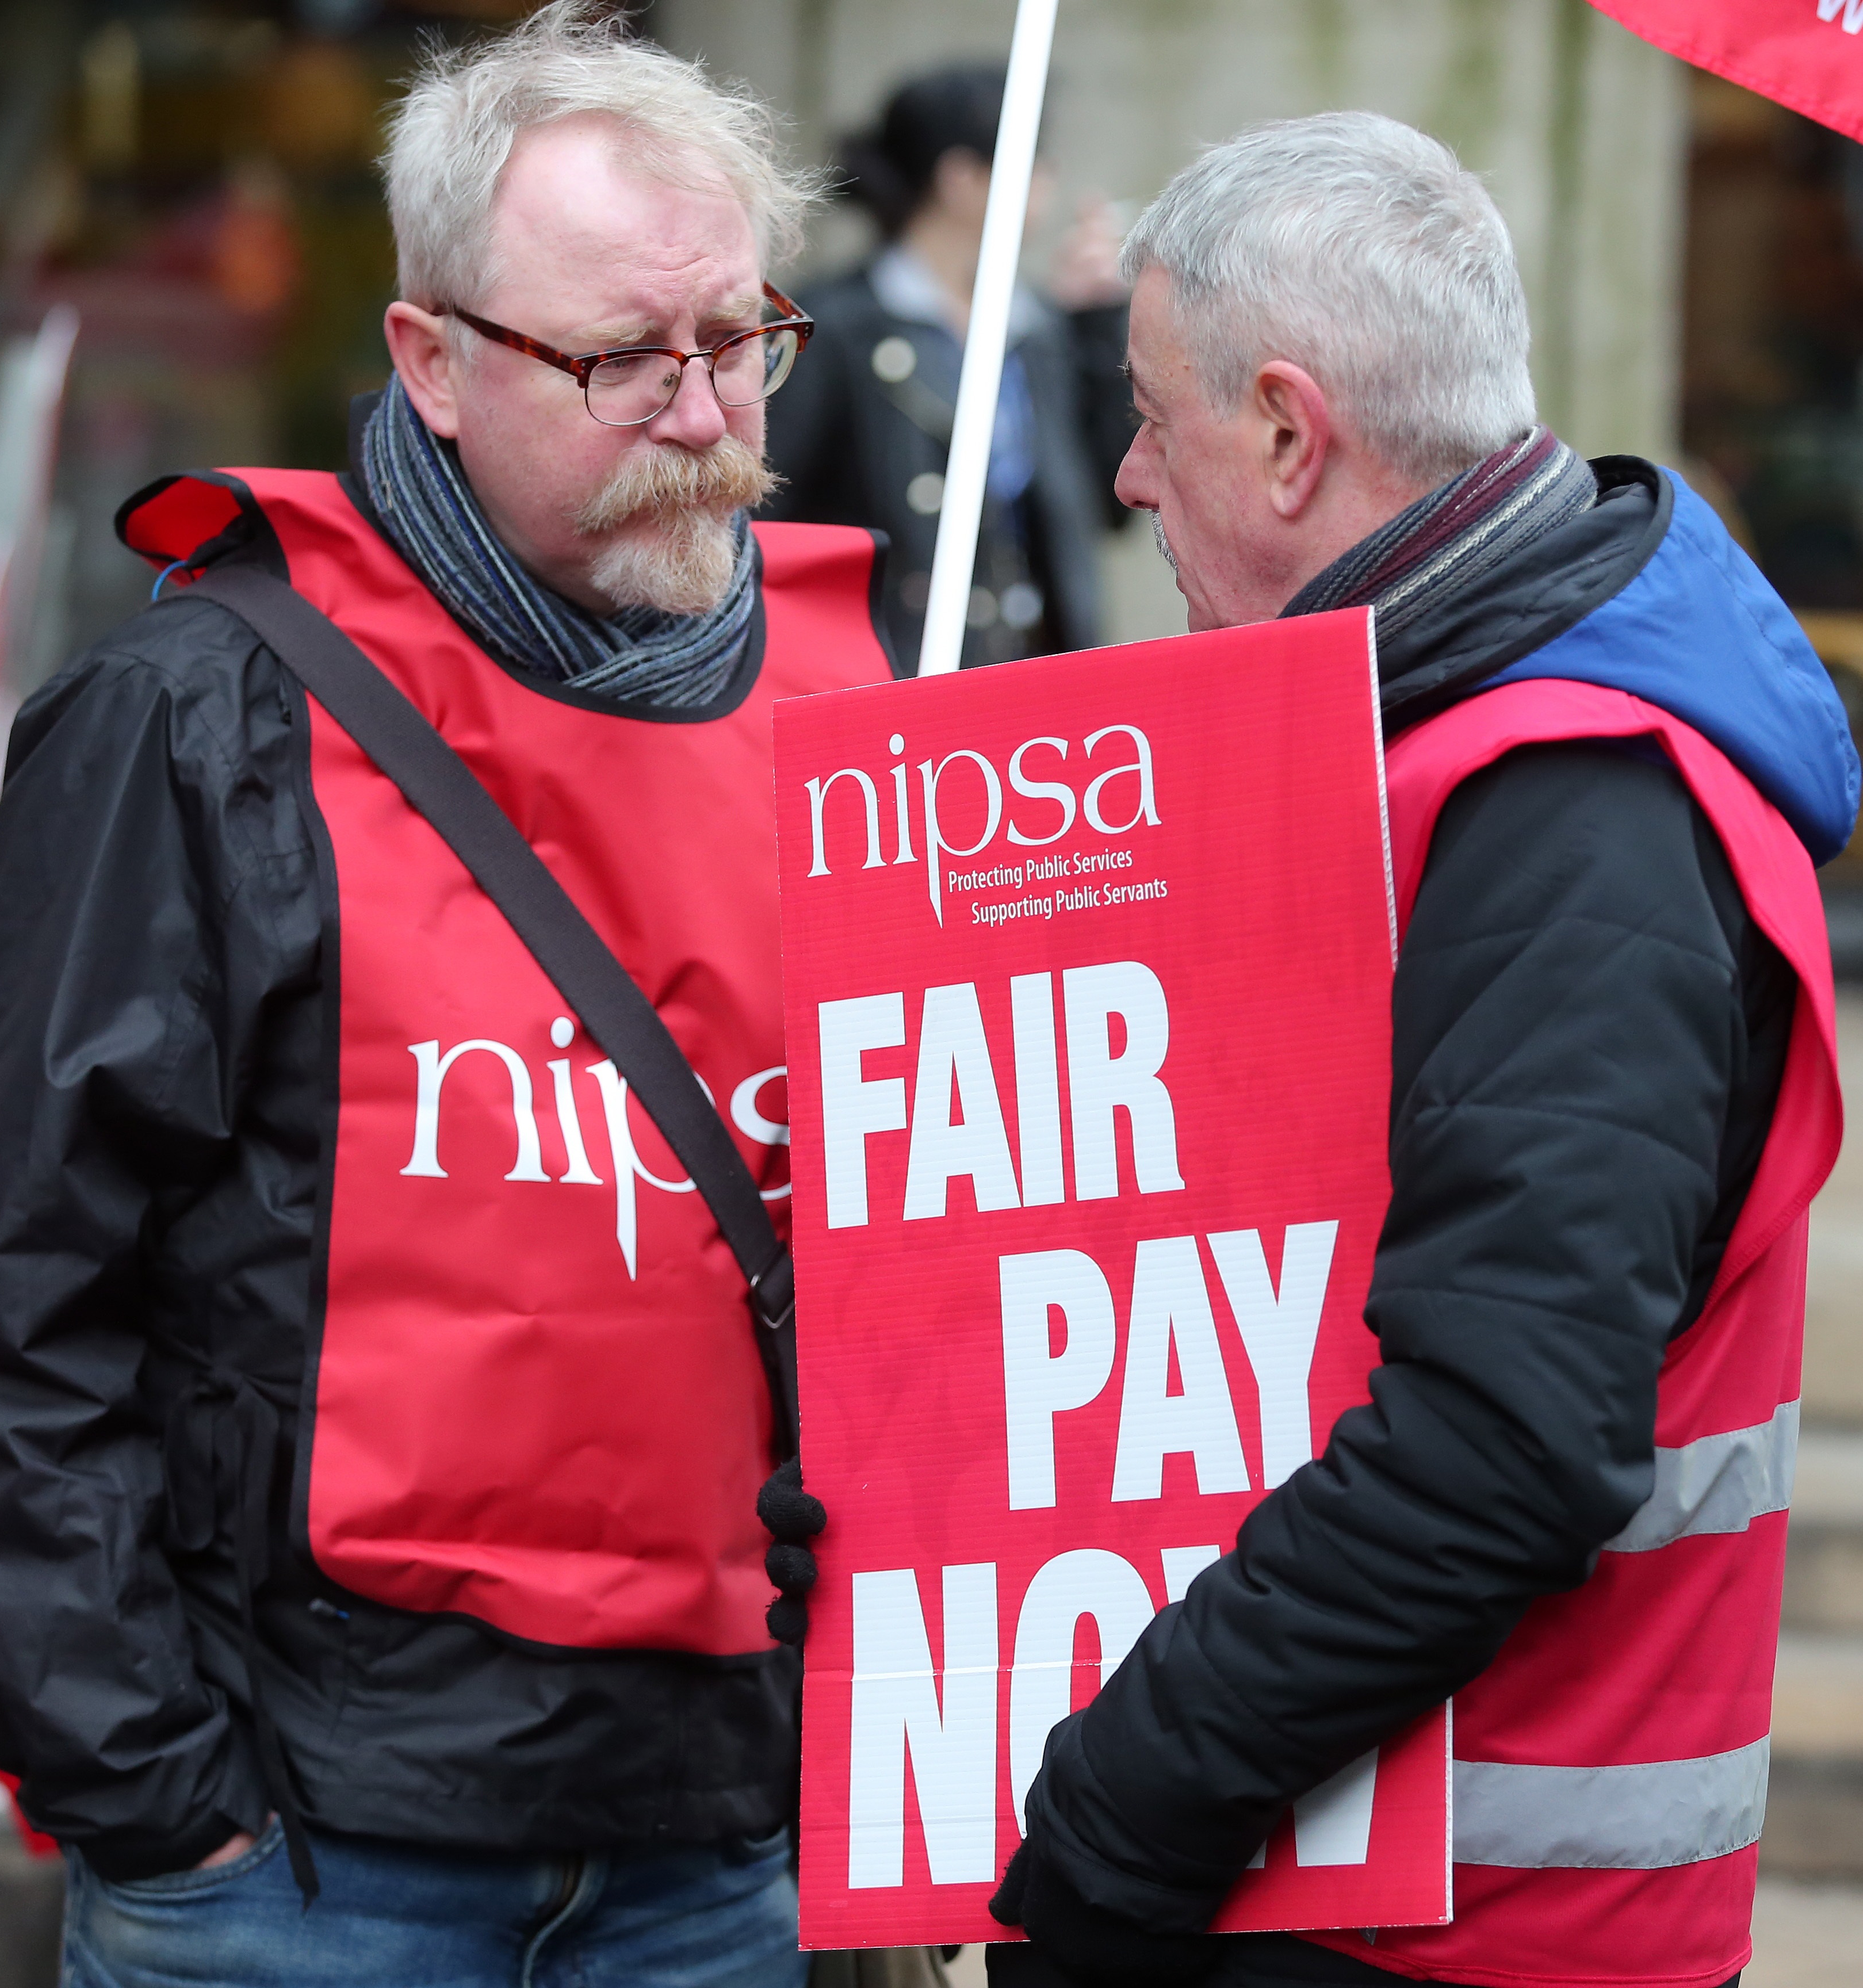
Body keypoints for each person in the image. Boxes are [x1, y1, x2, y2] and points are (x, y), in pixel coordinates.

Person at [763, 112, 1859, 1988]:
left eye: (1145, 412)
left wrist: (1107, 1813)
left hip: (1455, 1928)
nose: (1118, 475)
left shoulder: (1567, 806)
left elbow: (1495, 1440)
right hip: (1332, 1883)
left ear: (1282, 432)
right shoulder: (1397, 747)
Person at [0, 8, 892, 1985]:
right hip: (305, 1855)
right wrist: (152, 1787)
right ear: (430, 361)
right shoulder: (193, 717)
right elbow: (18, 1294)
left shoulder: (862, 720)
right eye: (619, 355)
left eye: (737, 338)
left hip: (723, 1841)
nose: (699, 407)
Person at [761, 63, 1137, 673]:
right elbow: (769, 526)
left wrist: (1099, 328)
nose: (1050, 182)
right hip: (889, 684)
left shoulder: (1037, 326)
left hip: (1041, 673)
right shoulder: (832, 329)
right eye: (1033, 162)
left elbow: (1110, 505)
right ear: (961, 179)